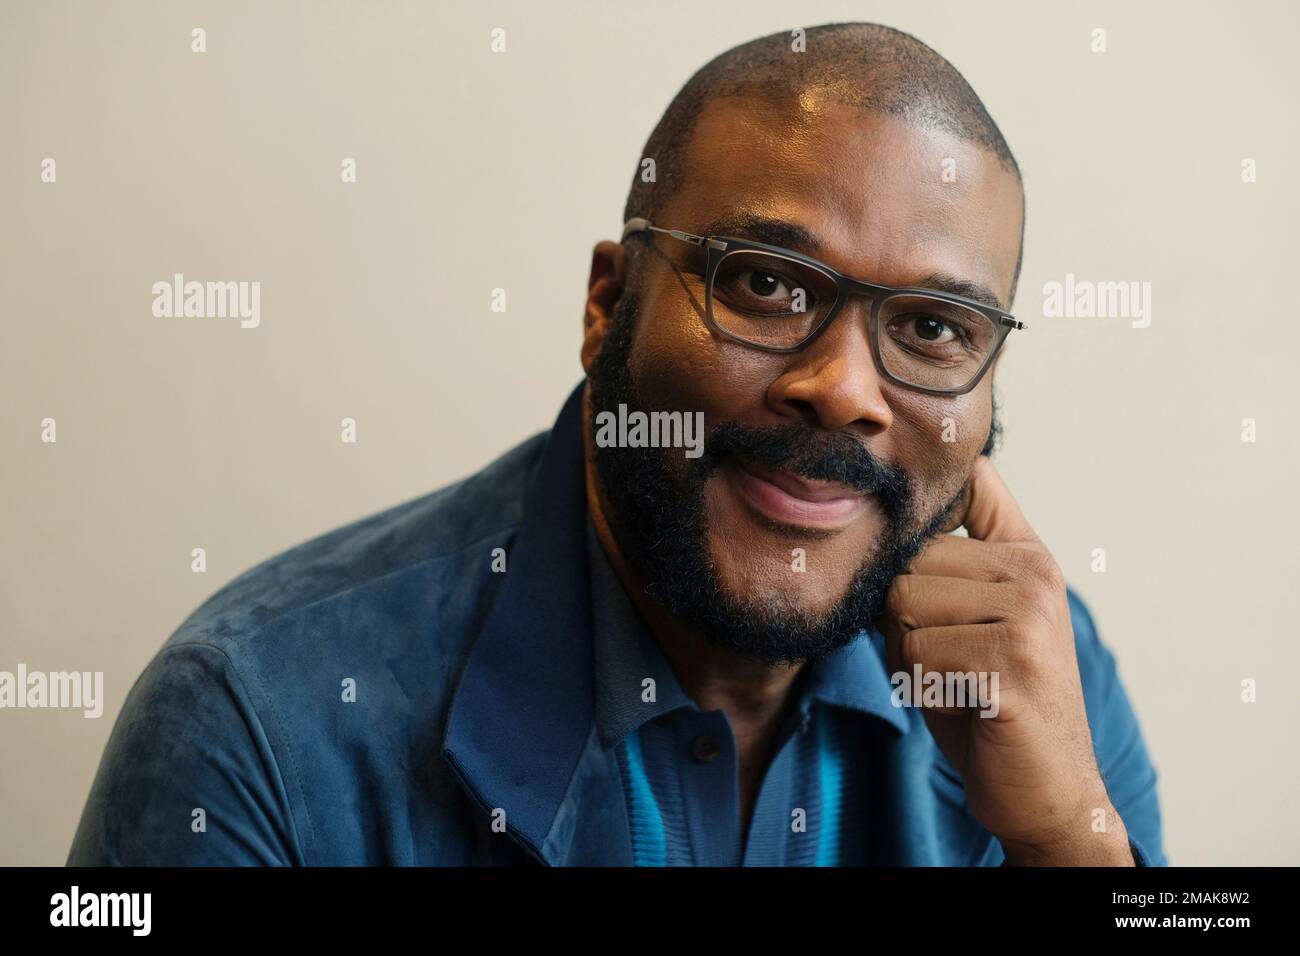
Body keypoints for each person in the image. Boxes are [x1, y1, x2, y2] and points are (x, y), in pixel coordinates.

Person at [67, 22, 1165, 866]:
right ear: (608, 301)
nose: (841, 389)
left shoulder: (1039, 674)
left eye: (932, 326)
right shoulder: (257, 721)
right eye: (766, 282)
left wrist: (1071, 835)